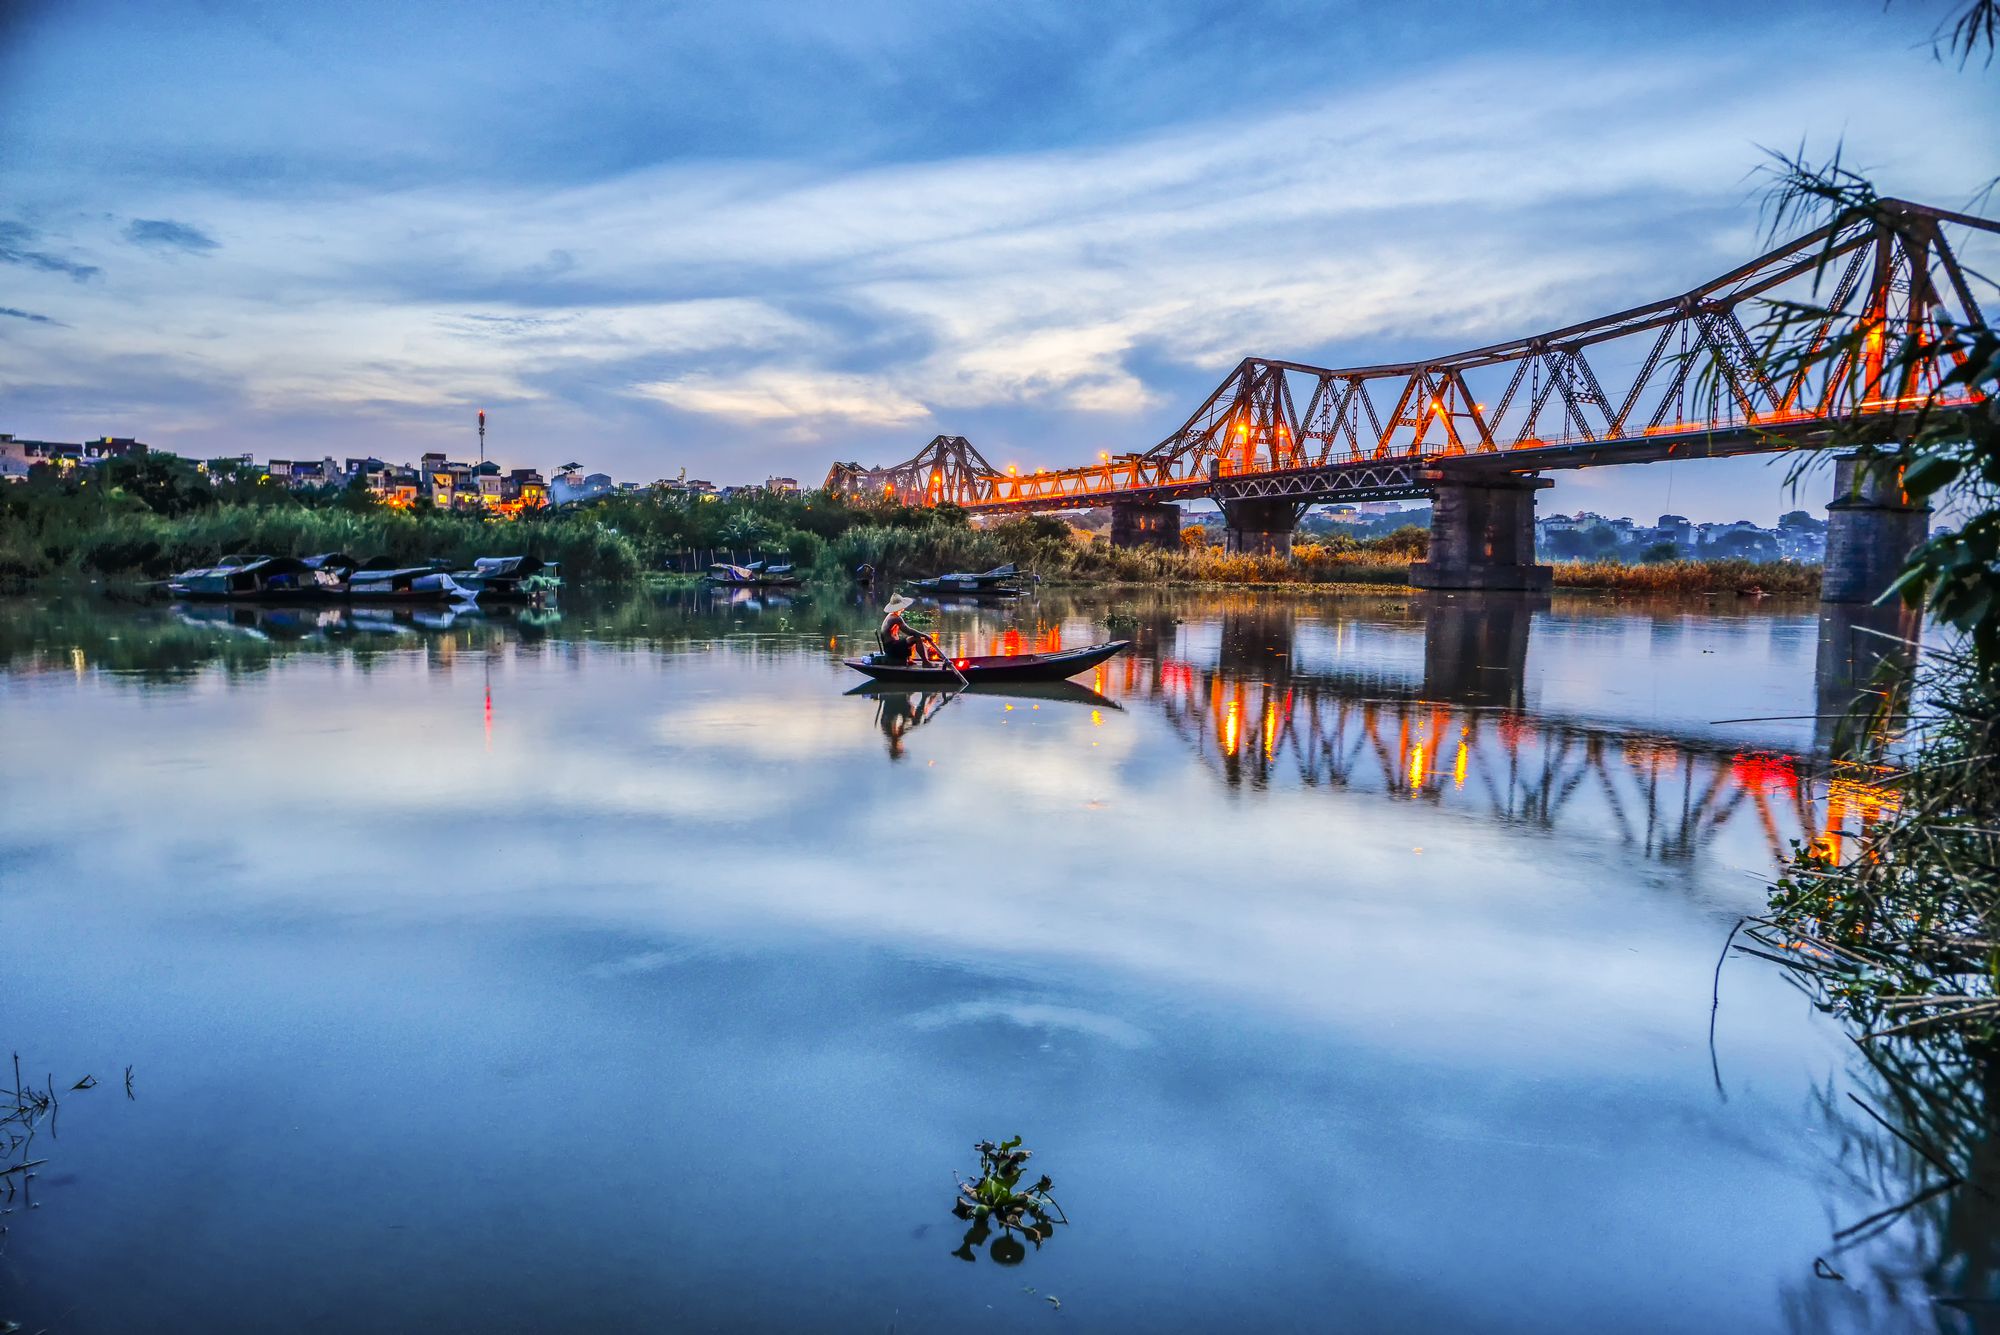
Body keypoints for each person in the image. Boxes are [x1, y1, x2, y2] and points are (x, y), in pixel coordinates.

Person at [877, 594, 935, 666]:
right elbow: (909, 631)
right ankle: (925, 662)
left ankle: (909, 659)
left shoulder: (891, 616)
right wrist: (925, 635)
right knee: (916, 638)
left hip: (891, 646)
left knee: (911, 638)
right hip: (891, 648)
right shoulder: (895, 618)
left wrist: (923, 637)